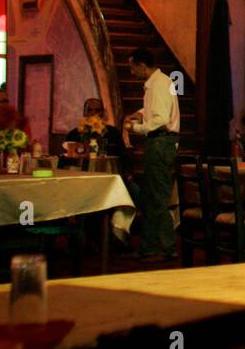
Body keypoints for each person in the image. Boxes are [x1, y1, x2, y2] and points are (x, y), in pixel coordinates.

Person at [123, 47, 181, 261]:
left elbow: (160, 119)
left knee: (157, 197)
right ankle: (150, 246)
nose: (131, 72)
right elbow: (154, 110)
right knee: (152, 196)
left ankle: (164, 247)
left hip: (160, 142)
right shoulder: (158, 84)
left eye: (132, 67)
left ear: (142, 65)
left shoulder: (159, 85)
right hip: (159, 143)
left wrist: (134, 129)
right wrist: (138, 114)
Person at [64, 97, 126, 169]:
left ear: (102, 113)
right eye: (89, 110)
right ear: (84, 113)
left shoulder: (113, 133)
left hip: (107, 171)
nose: (93, 113)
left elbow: (123, 157)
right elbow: (67, 160)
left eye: (97, 110)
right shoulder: (73, 134)